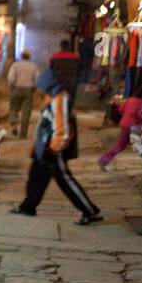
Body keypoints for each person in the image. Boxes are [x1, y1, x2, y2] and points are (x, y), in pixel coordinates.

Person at [10, 68, 102, 225]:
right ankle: (28, 206)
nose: (39, 88)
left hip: (53, 149)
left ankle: (89, 211)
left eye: (41, 84)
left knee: (65, 180)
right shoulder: (52, 98)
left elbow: (62, 128)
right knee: (36, 176)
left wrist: (54, 148)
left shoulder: (59, 100)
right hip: (45, 148)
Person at [99, 82, 142, 171]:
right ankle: (104, 160)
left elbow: (121, 109)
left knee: (121, 145)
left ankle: (105, 160)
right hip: (135, 127)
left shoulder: (130, 99)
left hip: (124, 125)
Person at [6, 49, 40, 138]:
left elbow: (10, 78)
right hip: (28, 90)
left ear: (21, 56)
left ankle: (14, 125)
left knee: (13, 108)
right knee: (26, 112)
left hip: (17, 88)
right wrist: (34, 89)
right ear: (29, 56)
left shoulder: (15, 65)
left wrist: (11, 88)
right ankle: (23, 134)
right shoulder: (34, 66)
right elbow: (37, 80)